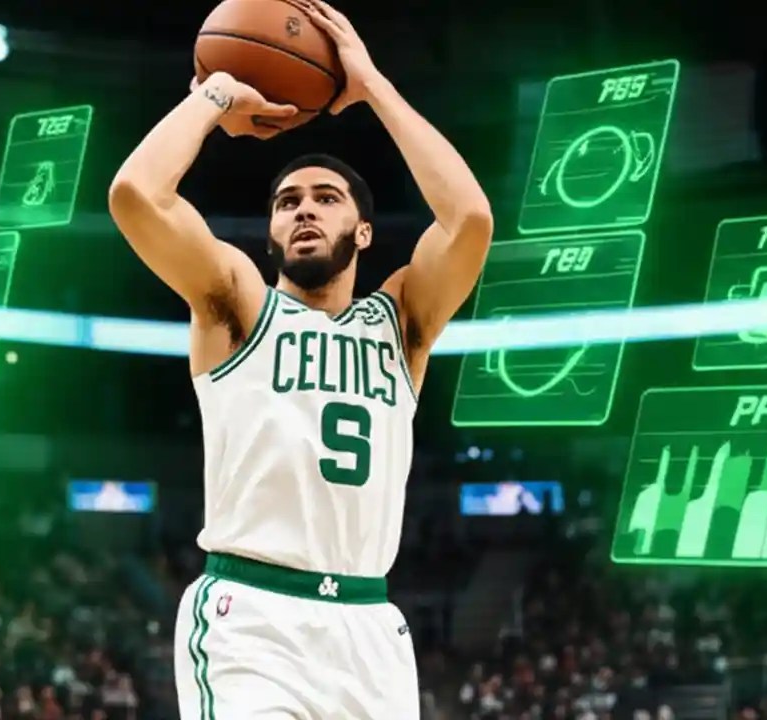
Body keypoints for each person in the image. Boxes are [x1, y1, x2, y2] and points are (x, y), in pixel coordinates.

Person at [107, 2, 492, 716]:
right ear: (271, 232)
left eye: (326, 197)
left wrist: (373, 85)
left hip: (369, 628)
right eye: (287, 202)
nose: (304, 210)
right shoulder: (238, 307)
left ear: (365, 230)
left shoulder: (400, 322)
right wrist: (216, 94)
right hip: (252, 620)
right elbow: (135, 195)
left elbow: (469, 220)